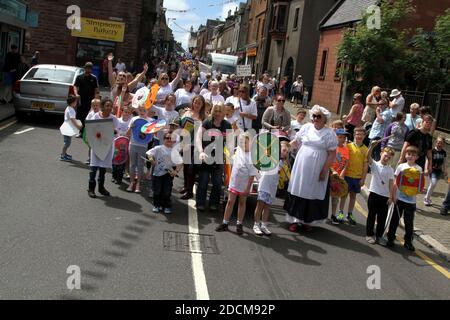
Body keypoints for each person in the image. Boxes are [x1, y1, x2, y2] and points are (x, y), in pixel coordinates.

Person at [284, 105, 338, 231]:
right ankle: (295, 220)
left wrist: (324, 171)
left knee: (312, 192)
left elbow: (332, 154)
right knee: (299, 189)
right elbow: (296, 142)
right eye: (314, 115)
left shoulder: (329, 134)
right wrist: (285, 148)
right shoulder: (306, 127)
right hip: (301, 166)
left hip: (317, 168)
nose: (315, 118)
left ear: (325, 119)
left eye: (318, 116)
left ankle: (308, 221)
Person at [216, 132, 258, 235]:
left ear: (251, 143)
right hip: (234, 182)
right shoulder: (239, 149)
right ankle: (225, 223)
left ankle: (239, 224)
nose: (243, 144)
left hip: (244, 185)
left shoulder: (252, 157)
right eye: (241, 142)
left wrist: (248, 189)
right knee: (230, 202)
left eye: (245, 143)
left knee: (242, 203)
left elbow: (252, 175)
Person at [196, 103, 232, 211]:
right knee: (204, 180)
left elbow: (230, 143)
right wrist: (201, 151)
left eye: (220, 111)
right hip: (206, 156)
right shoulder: (207, 122)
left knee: (217, 182)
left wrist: (229, 156)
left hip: (219, 157)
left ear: (223, 112)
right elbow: (198, 138)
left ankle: (214, 203)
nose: (217, 113)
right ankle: (200, 202)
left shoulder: (227, 125)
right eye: (215, 111)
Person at [387, 146, 422, 251]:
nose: (410, 156)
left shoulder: (418, 169)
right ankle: (390, 238)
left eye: (413, 155)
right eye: (409, 154)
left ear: (417, 157)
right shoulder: (401, 166)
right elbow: (395, 182)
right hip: (399, 199)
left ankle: (408, 242)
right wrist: (392, 195)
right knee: (394, 220)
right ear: (405, 155)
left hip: (411, 201)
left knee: (409, 223)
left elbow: (419, 185)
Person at [253, 142, 290, 236]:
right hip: (264, 184)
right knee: (260, 205)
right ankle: (256, 224)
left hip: (272, 186)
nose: (285, 153)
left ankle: (263, 225)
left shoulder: (282, 162)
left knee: (267, 207)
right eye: (284, 150)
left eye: (287, 152)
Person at [87, 98, 119, 198]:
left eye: (110, 106)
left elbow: (117, 131)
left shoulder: (114, 118)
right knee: (93, 168)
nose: (109, 108)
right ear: (102, 106)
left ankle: (101, 188)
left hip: (107, 146)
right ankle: (91, 188)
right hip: (96, 145)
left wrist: (114, 131)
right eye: (107, 106)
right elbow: (90, 129)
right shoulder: (95, 116)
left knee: (102, 169)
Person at [365, 141, 395, 245]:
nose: (386, 158)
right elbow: (367, 156)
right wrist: (372, 146)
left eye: (389, 157)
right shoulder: (375, 165)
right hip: (374, 194)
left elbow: (391, 184)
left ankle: (379, 236)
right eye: (385, 155)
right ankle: (369, 234)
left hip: (385, 197)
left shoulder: (390, 170)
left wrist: (391, 197)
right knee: (371, 215)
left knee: (382, 218)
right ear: (381, 153)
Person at [147, 131, 183, 214]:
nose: (169, 140)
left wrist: (176, 171)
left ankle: (166, 205)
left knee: (167, 191)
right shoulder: (158, 148)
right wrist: (152, 160)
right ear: (164, 139)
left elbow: (180, 162)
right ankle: (156, 205)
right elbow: (149, 153)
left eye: (171, 138)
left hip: (168, 174)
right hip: (157, 174)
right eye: (167, 138)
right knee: (157, 191)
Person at [339, 127, 368, 225]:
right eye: (357, 134)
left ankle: (350, 214)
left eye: (361, 134)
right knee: (344, 195)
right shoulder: (348, 146)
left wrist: (363, 178)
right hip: (347, 175)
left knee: (353, 196)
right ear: (354, 135)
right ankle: (340, 212)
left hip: (357, 177)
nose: (359, 136)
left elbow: (365, 166)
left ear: (364, 136)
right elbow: (343, 160)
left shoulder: (366, 149)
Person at [180, 95, 207, 200]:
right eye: (195, 102)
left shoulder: (204, 116)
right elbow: (181, 127)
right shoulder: (187, 113)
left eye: (199, 103)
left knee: (191, 169)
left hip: (197, 147)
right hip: (186, 144)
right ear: (193, 102)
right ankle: (186, 186)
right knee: (186, 168)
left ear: (202, 105)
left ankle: (190, 192)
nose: (197, 105)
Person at [126, 105, 154, 194]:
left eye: (144, 110)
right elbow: (127, 134)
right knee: (132, 164)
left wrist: (151, 132)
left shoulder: (150, 121)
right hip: (133, 144)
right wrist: (131, 127)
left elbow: (151, 138)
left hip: (143, 146)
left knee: (140, 165)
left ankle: (138, 184)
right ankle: (131, 183)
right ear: (138, 110)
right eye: (140, 110)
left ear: (147, 111)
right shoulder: (134, 119)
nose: (142, 112)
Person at [329, 128, 350, 225]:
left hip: (338, 176)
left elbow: (346, 162)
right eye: (340, 137)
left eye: (344, 137)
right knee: (325, 196)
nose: (343, 139)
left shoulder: (346, 148)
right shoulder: (332, 147)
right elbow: (327, 161)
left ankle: (333, 215)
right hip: (329, 174)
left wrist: (342, 174)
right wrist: (332, 171)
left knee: (335, 197)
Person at [74, 62, 99, 136]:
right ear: (84, 68)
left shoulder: (93, 78)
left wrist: (96, 99)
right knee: (79, 116)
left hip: (90, 101)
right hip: (81, 100)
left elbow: (96, 89)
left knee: (88, 116)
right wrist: (76, 94)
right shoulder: (79, 77)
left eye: (90, 68)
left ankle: (86, 132)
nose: (88, 69)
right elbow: (75, 86)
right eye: (87, 68)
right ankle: (80, 131)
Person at [112, 105, 133, 185]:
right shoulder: (118, 120)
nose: (126, 114)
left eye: (128, 112)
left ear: (130, 114)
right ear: (122, 112)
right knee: (115, 161)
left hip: (125, 145)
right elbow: (114, 131)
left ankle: (119, 178)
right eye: (125, 112)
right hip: (117, 144)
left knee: (122, 161)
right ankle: (114, 176)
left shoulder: (131, 122)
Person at [424, 137, 447, 206]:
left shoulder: (444, 152)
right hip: (432, 169)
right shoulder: (432, 151)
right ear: (436, 142)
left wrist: (445, 170)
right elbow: (427, 160)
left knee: (433, 185)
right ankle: (426, 198)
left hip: (439, 171)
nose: (439, 144)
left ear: (443, 144)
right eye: (438, 142)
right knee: (433, 183)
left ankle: (428, 198)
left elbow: (444, 162)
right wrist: (426, 169)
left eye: (441, 143)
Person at [60, 95, 82, 161]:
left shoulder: (68, 108)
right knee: (67, 143)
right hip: (67, 128)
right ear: (72, 102)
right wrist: (78, 126)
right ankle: (62, 155)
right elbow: (73, 119)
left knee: (67, 142)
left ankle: (64, 153)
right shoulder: (71, 110)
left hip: (66, 127)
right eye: (76, 102)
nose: (76, 103)